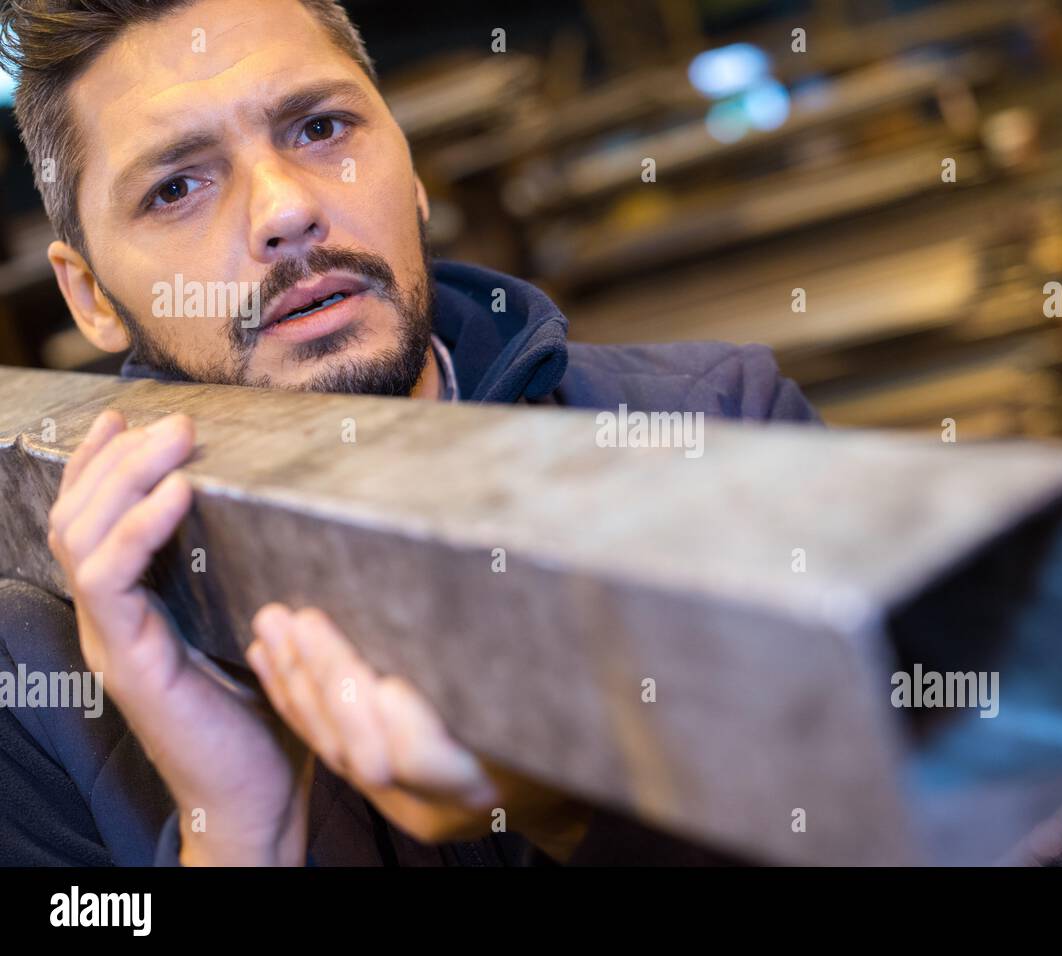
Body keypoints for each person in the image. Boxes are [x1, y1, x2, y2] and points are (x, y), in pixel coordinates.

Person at [0, 0, 823, 866]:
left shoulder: (722, 434)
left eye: (321, 128)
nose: (284, 210)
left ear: (413, 169)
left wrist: (578, 810)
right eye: (176, 188)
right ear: (90, 297)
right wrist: (239, 833)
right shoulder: (33, 677)